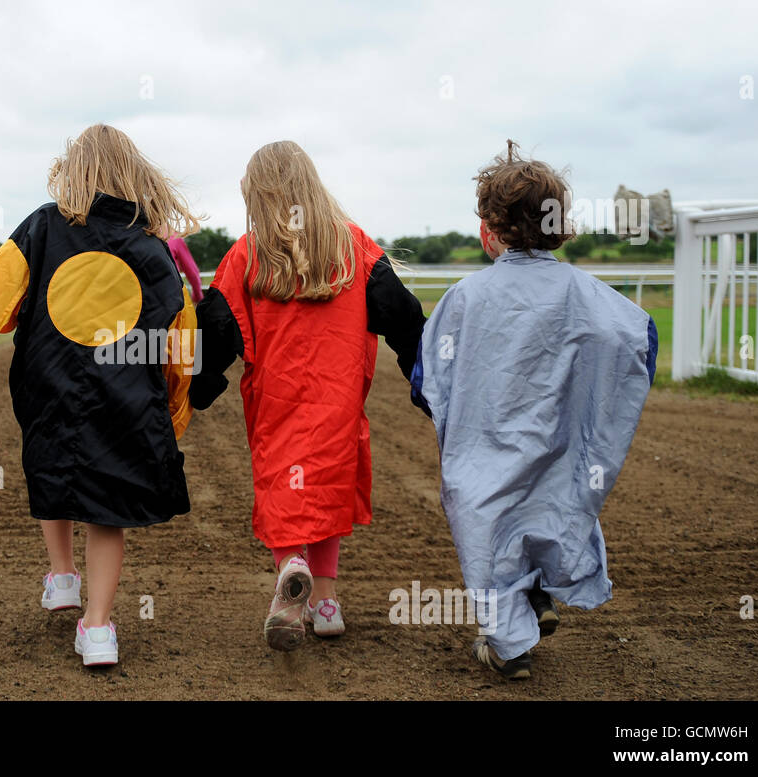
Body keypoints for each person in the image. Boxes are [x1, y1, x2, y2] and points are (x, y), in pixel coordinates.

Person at [0, 124, 200, 667]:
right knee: (108, 512)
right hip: (127, 395)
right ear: (135, 175)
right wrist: (174, 403)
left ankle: (62, 575)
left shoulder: (40, 227)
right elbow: (182, 333)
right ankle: (98, 629)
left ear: (71, 171)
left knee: (52, 471)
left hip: (47, 383)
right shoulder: (152, 247)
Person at [410, 140, 657, 679]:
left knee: (491, 540)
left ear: (488, 229)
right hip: (562, 446)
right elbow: (640, 342)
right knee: (551, 516)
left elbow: (427, 380)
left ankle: (507, 646)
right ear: (561, 227)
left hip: (484, 452)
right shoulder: (592, 295)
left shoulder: (464, 297)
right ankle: (539, 596)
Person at [191, 141, 426, 651]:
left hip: (277, 402)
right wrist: (426, 379)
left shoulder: (246, 254)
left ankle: (289, 568)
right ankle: (324, 604)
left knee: (283, 489)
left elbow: (216, 332)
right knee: (323, 489)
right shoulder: (358, 248)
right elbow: (405, 319)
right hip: (338, 404)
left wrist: (193, 391)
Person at [167, 234, 203, 304]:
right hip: (171, 299)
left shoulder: (140, 238)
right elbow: (192, 272)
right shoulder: (173, 236)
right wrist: (198, 296)